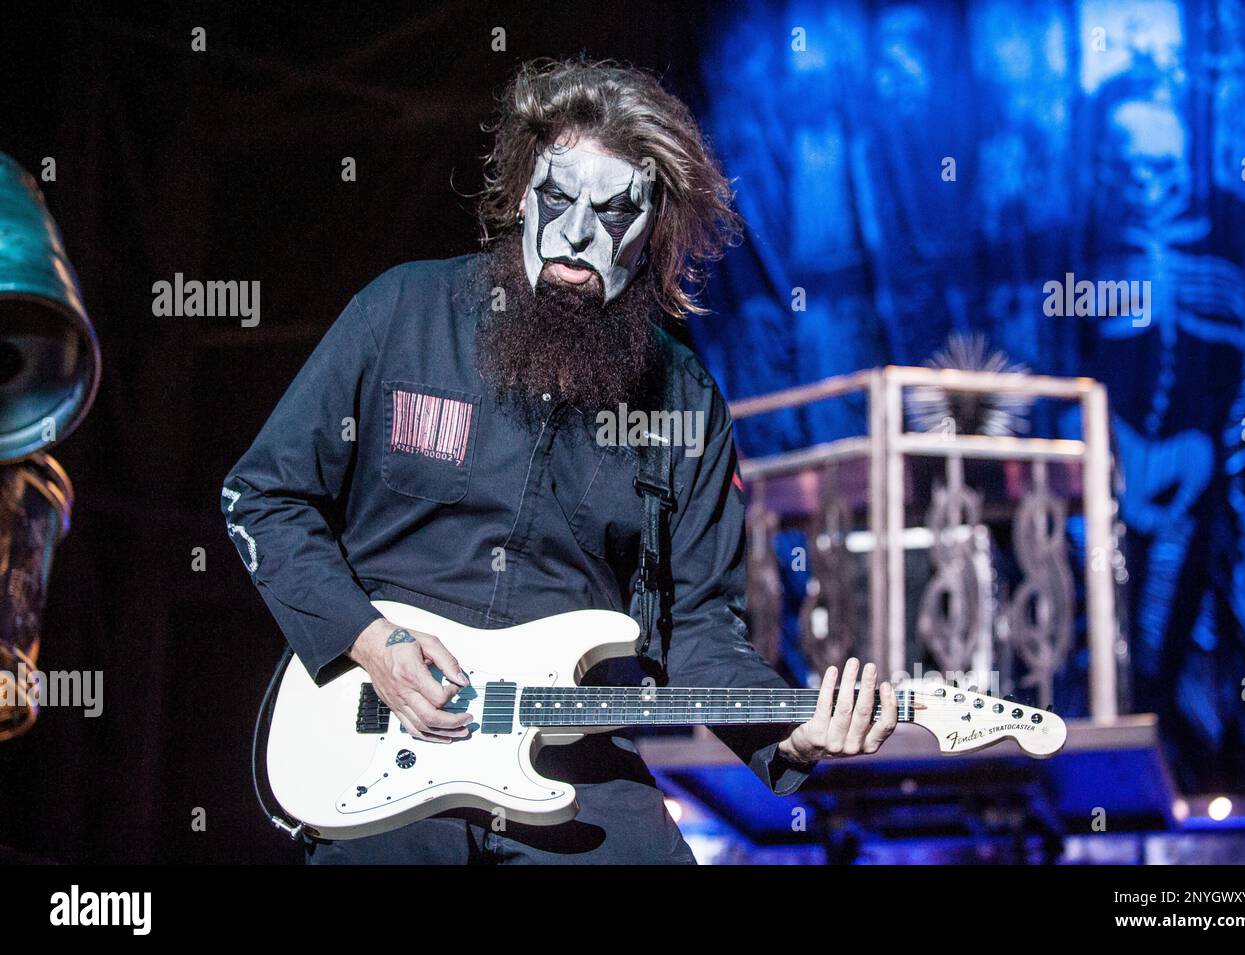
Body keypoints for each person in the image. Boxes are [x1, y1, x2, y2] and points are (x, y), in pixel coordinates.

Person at [222, 58, 896, 864]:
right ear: (519, 196)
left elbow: (699, 627)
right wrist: (367, 638)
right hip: (383, 734)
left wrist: (789, 732)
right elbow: (262, 495)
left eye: (613, 210)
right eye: (557, 198)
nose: (578, 231)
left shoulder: (684, 402)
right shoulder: (401, 313)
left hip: (576, 755)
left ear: (656, 232)